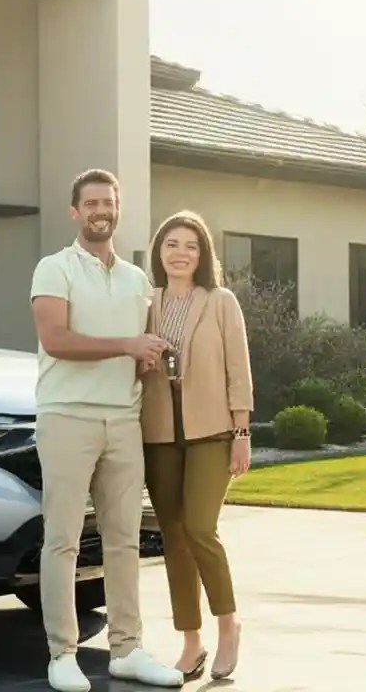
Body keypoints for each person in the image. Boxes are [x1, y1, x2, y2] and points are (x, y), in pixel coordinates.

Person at [29, 169, 184, 692]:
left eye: (108, 202)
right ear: (75, 212)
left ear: (118, 209)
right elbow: (56, 339)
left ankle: (127, 650)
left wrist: (147, 357)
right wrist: (127, 345)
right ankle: (62, 654)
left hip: (123, 420)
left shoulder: (138, 280)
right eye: (91, 203)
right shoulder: (54, 268)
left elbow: (140, 354)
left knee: (123, 541)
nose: (101, 210)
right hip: (66, 417)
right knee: (63, 540)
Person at [138, 209, 252, 681]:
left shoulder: (221, 302)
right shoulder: (145, 302)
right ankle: (191, 641)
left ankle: (228, 625)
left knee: (200, 529)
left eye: (191, 246)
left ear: (203, 255)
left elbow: (238, 370)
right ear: (159, 253)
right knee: (174, 536)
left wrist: (241, 433)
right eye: (172, 244)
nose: (180, 253)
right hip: (159, 435)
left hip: (212, 433)